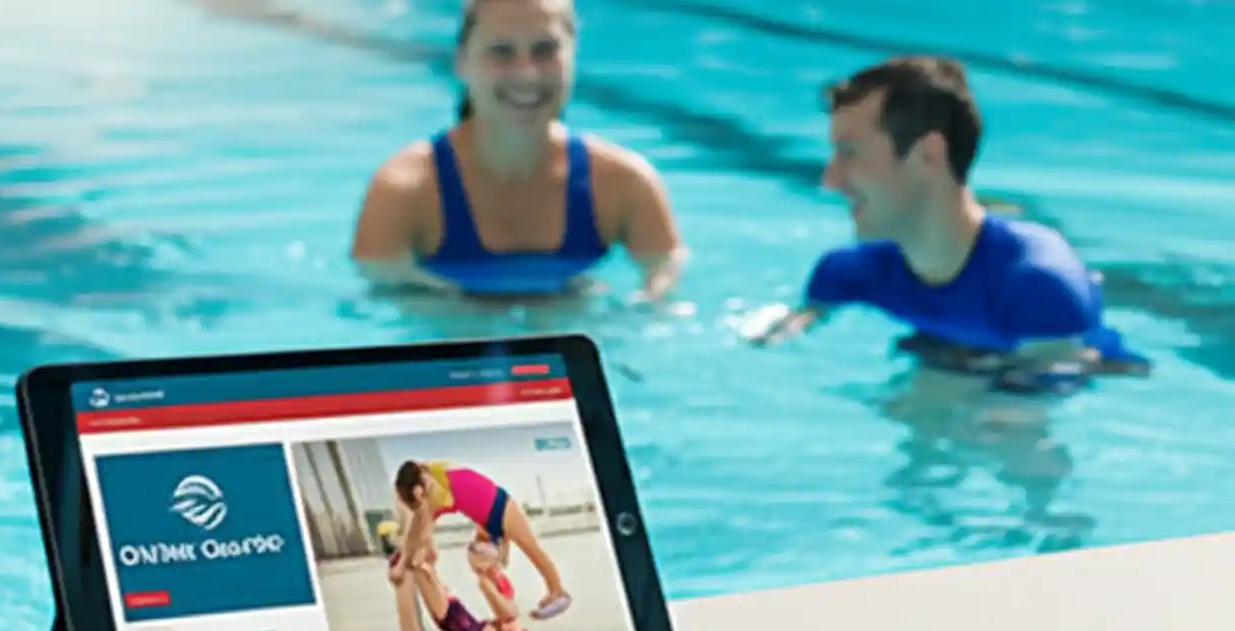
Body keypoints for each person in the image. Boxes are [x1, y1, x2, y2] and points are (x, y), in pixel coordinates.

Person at [749, 55, 1150, 389]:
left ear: (928, 155)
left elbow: (1038, 437)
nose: (829, 181)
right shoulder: (848, 275)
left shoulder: (1039, 284)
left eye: (850, 153)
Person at [350, 0, 687, 301]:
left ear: (572, 57)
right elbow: (385, 305)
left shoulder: (626, 184)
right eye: (501, 52)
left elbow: (662, 296)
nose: (527, 74)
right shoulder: (404, 191)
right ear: (462, 63)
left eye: (545, 50)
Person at [390, 459, 572, 620]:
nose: (422, 500)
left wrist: (407, 559)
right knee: (480, 561)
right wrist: (408, 558)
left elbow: (421, 528)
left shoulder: (437, 480)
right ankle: (506, 605)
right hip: (485, 522)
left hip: (504, 508)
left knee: (533, 551)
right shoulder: (434, 493)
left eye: (420, 496)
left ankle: (558, 592)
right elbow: (418, 530)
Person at [406, 533, 591, 631]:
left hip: (458, 622)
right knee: (424, 567)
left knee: (422, 567)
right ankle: (417, 547)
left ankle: (415, 546)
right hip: (461, 622)